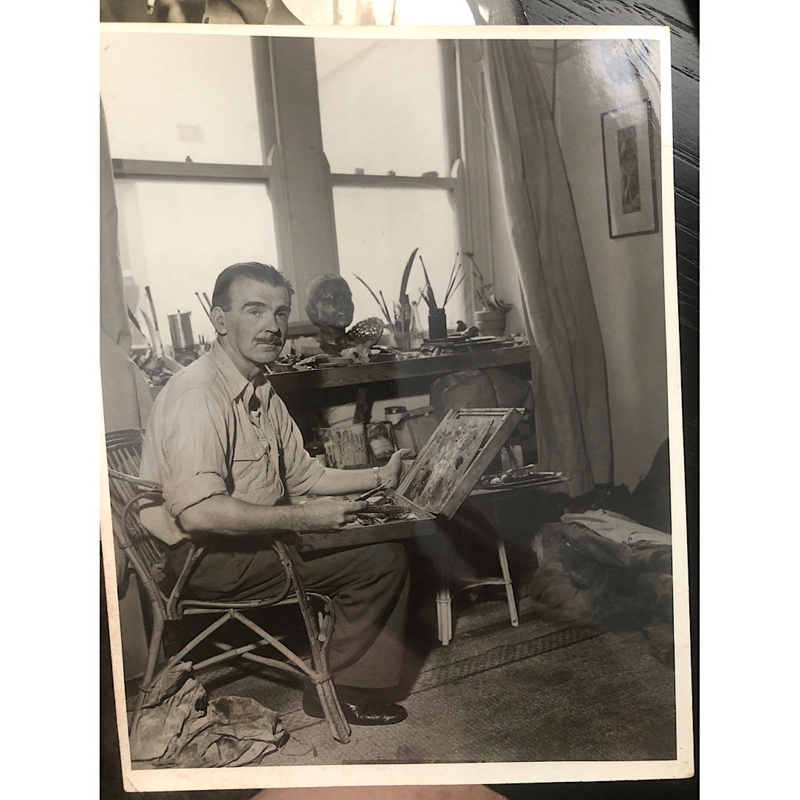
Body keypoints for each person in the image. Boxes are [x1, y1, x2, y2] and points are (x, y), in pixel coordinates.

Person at [139, 261, 412, 725]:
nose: (272, 326)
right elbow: (199, 515)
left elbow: (306, 478)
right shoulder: (200, 394)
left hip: (247, 543)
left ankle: (342, 673)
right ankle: (341, 687)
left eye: (281, 313)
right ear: (220, 320)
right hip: (205, 560)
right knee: (381, 561)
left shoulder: (260, 388)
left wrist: (379, 477)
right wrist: (304, 519)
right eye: (255, 310)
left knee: (382, 535)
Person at [305, 274, 354, 355]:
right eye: (332, 299)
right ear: (313, 309)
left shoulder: (361, 348)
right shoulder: (306, 351)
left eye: (347, 298)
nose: (344, 305)